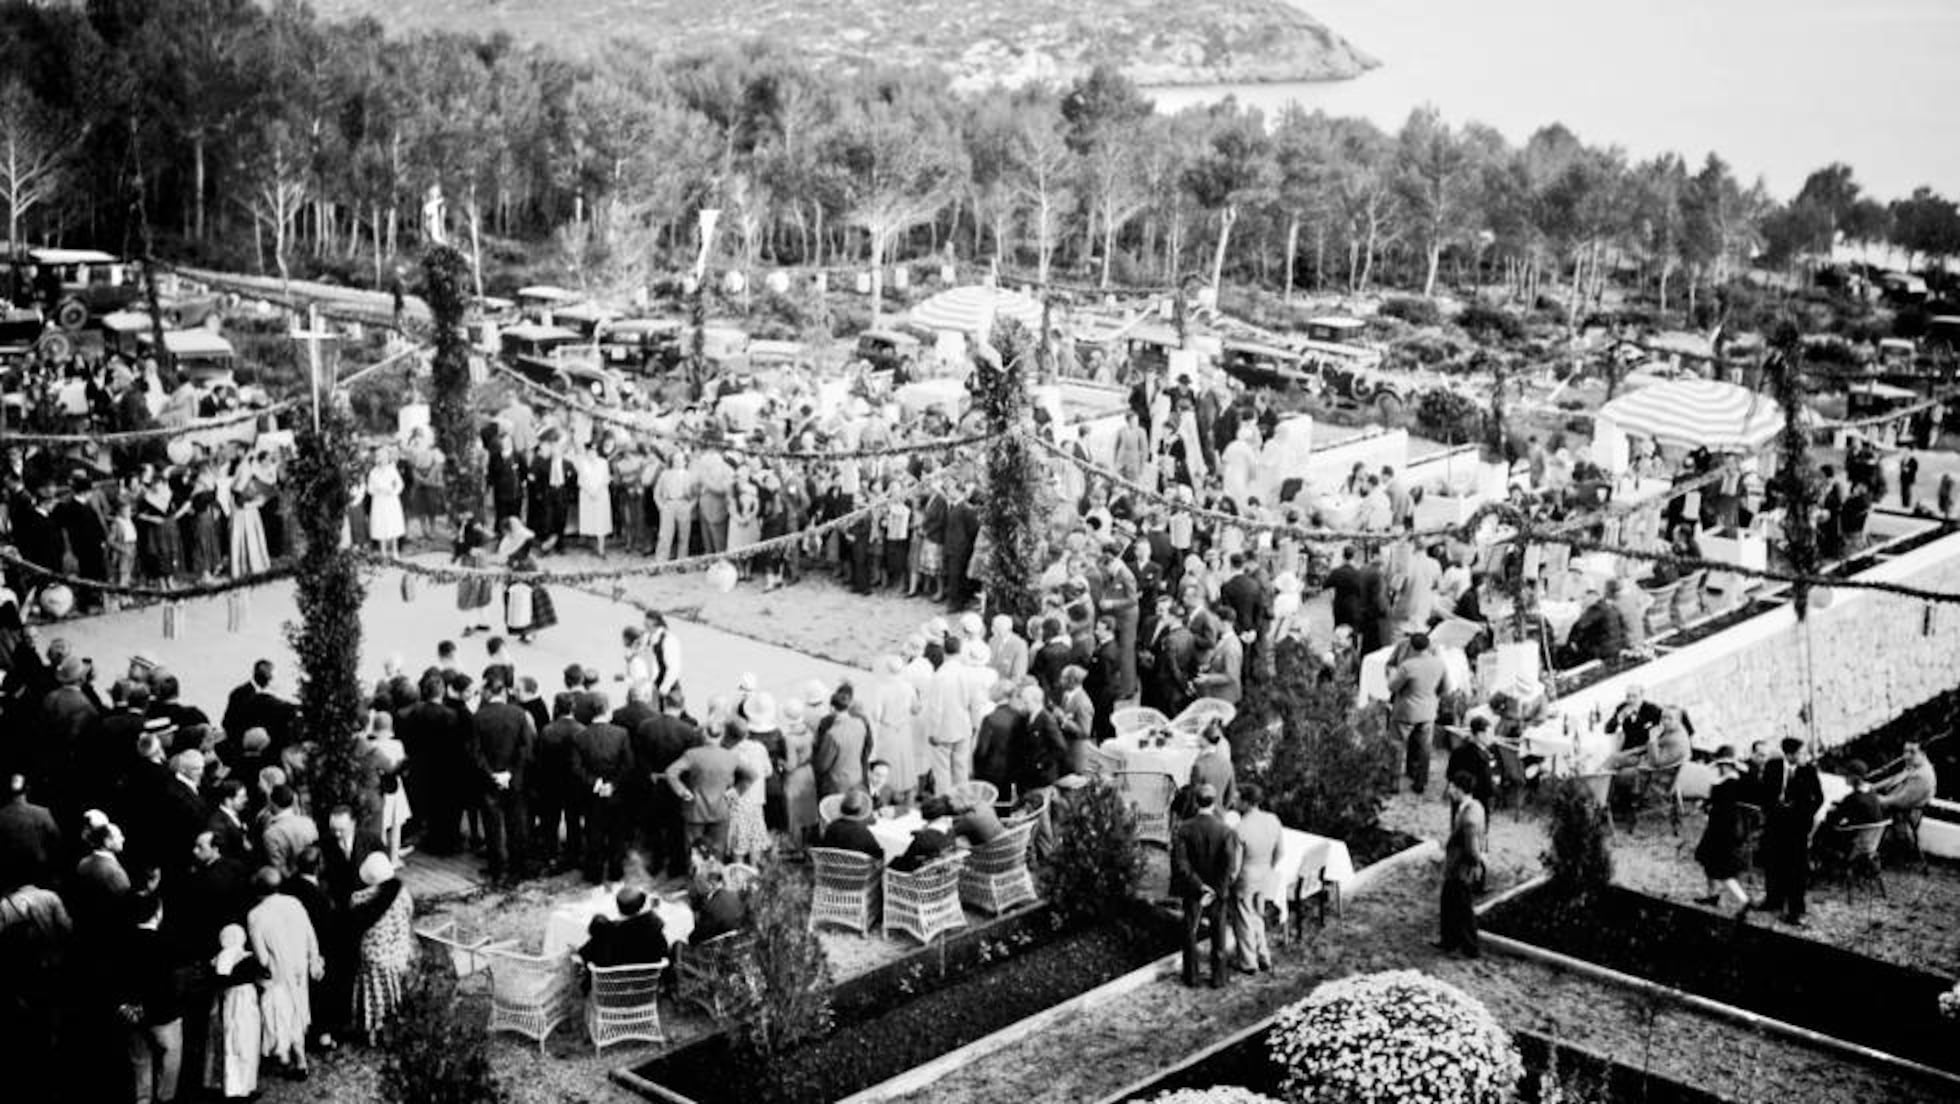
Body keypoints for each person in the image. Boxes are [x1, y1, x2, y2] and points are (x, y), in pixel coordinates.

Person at [245, 867, 323, 1079]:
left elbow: (262, 958)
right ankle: (300, 1060)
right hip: (299, 968)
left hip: (277, 972)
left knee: (281, 1014)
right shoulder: (294, 903)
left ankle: (287, 1057)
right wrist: (313, 959)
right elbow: (310, 934)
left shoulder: (255, 915)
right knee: (298, 1010)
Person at [1170, 783, 1237, 988]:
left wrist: (1200, 886)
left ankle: (1191, 975)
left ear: (1196, 801)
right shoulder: (1225, 830)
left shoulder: (1183, 829)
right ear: (1214, 802)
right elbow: (1229, 865)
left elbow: (1181, 864)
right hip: (1217, 890)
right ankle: (1219, 976)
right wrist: (1217, 889)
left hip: (1193, 889)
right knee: (1218, 931)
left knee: (1190, 930)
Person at [472, 673, 535, 884]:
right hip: (513, 779)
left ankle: (497, 869)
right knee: (516, 823)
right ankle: (518, 867)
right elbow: (525, 748)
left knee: (492, 826)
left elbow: (475, 752)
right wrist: (510, 772)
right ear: (504, 691)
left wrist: (492, 774)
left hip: (489, 780)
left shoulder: (478, 717)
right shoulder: (519, 714)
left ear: (488, 692)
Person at [1759, 737, 1824, 927]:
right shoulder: (1773, 767)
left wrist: (1804, 814)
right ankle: (1773, 900)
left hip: (1797, 827)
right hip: (1775, 824)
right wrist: (1771, 809)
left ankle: (1796, 910)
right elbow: (1763, 793)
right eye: (1801, 753)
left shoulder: (1809, 771)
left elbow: (1819, 797)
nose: (1805, 756)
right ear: (1789, 755)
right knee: (1773, 863)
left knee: (1796, 868)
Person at [348, 853, 413, 1044]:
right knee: (391, 991)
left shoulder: (359, 898)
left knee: (372, 994)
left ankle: (371, 1031)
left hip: (372, 956)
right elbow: (409, 913)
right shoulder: (402, 893)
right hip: (395, 951)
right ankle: (391, 1027)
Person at [204, 923, 264, 1102]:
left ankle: (228, 1086)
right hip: (244, 1003)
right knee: (246, 1043)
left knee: (227, 1044)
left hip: (224, 1002)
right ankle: (243, 1088)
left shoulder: (216, 960)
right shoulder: (248, 959)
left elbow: (218, 981)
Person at [665, 719, 741, 860]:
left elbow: (670, 772)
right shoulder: (731, 757)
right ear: (722, 736)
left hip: (695, 808)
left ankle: (695, 873)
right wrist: (736, 791)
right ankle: (715, 872)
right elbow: (752, 774)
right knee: (718, 850)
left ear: (704, 735)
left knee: (694, 849)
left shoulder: (692, 754)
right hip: (721, 808)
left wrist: (682, 791)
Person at [1693, 749, 1754, 913]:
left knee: (1722, 869)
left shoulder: (1730, 783)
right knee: (1708, 862)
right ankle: (1712, 895)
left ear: (1727, 765)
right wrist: (1706, 804)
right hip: (1718, 827)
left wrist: (1707, 807)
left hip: (1723, 830)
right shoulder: (1728, 781)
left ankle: (1744, 900)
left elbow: (1721, 804)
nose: (1720, 768)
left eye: (1722, 765)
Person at [1230, 783, 1282, 974]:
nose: (1234, 801)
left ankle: (1248, 961)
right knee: (1257, 916)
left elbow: (1235, 865)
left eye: (1237, 798)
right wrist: (1268, 867)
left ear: (1246, 802)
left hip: (1246, 877)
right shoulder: (1272, 820)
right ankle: (1263, 955)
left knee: (1243, 918)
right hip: (1264, 874)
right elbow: (1280, 851)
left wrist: (1229, 882)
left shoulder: (1240, 829)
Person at [1388, 633, 1448, 795]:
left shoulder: (1407, 666)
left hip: (1405, 711)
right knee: (1424, 748)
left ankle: (1394, 782)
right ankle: (1420, 782)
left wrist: (1392, 676)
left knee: (1397, 745)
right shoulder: (1439, 664)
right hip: (1428, 711)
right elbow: (1446, 688)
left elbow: (1393, 687)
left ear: (1412, 647)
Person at [1437, 769, 1486, 958]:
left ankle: (1469, 947)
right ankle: (1449, 941)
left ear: (1459, 789)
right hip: (1458, 866)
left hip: (1461, 868)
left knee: (1462, 907)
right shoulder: (1475, 806)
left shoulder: (1468, 818)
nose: (1449, 790)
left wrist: (1476, 863)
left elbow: (1472, 848)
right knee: (1449, 902)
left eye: (1452, 787)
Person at [578, 886, 669, 968]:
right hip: (648, 980)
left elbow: (584, 955)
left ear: (618, 907)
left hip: (611, 981)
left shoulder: (606, 932)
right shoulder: (654, 929)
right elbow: (664, 955)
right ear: (641, 906)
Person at [812, 684, 871, 798]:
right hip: (856, 777)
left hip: (838, 782)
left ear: (832, 708)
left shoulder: (833, 734)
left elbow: (823, 765)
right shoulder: (860, 724)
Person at [817, 789, 882, 859]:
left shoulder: (831, 827)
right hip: (858, 865)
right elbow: (879, 855)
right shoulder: (864, 834)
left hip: (831, 865)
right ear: (862, 812)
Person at [1188, 720, 1237, 811]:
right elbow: (1231, 794)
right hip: (1219, 814)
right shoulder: (1228, 764)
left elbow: (1192, 798)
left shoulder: (1199, 765)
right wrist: (1222, 811)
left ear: (1204, 740)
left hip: (1199, 815)